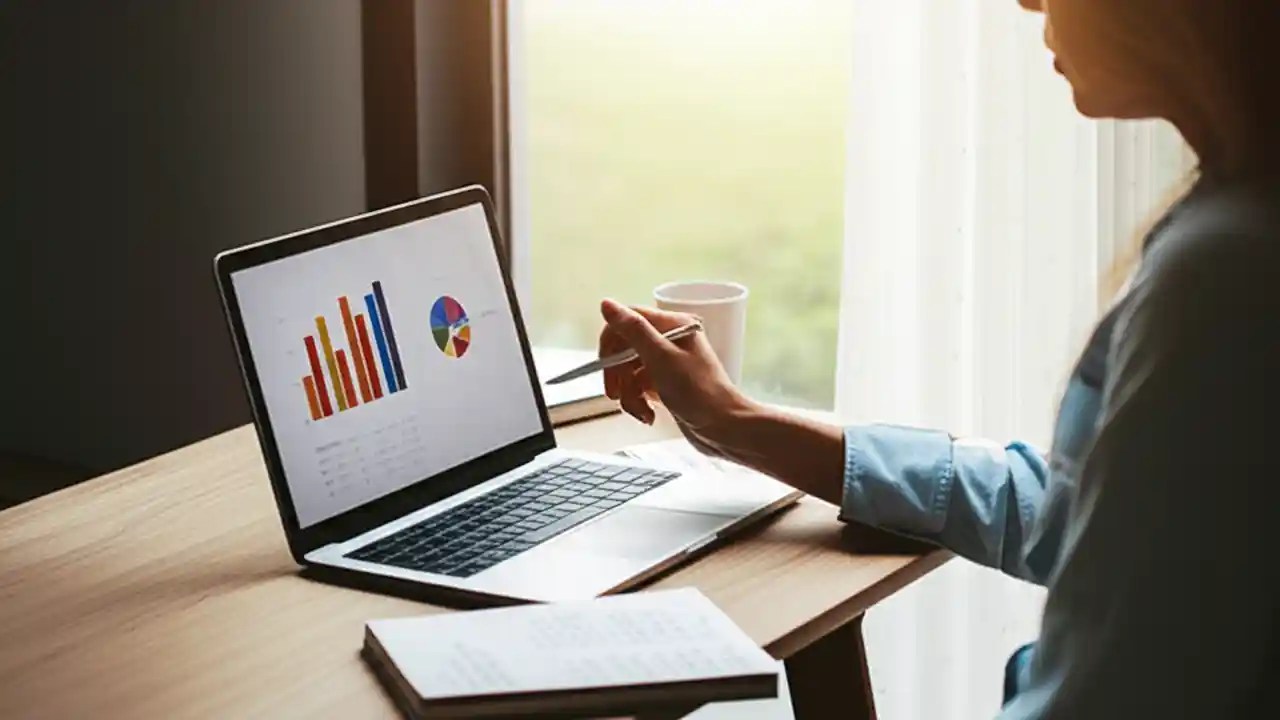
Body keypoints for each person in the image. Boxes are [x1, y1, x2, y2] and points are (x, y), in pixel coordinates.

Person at [597, 0, 1279, 716]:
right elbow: (1086, 519)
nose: (1028, 2)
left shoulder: (1224, 276)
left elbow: (1111, 691)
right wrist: (736, 424)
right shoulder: (1233, 224)